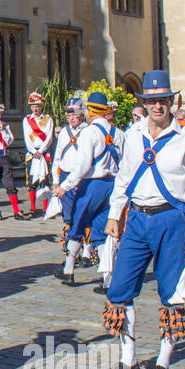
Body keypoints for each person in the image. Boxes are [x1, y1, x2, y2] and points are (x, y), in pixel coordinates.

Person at [99, 70, 185, 369]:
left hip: (172, 220)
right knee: (119, 289)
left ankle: (162, 363)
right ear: (144, 103)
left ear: (171, 102)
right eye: (151, 101)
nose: (157, 106)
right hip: (136, 219)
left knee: (170, 292)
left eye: (162, 100)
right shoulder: (133, 134)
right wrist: (114, 214)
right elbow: (123, 177)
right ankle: (129, 361)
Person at [54, 91, 120, 289]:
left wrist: (64, 186)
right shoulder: (119, 133)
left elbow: (83, 166)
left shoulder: (89, 133)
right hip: (112, 184)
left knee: (77, 225)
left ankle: (69, 270)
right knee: (102, 230)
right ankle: (107, 279)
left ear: (90, 111)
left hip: (92, 184)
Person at [51, 97, 87, 256]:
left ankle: (87, 249)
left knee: (83, 213)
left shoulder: (88, 131)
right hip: (65, 177)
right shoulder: (64, 132)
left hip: (82, 178)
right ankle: (71, 250)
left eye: (75, 114)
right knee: (68, 214)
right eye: (69, 114)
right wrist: (55, 181)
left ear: (82, 115)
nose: (72, 117)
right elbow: (57, 158)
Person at [22, 92, 55, 218]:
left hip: (44, 152)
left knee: (45, 180)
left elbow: (49, 137)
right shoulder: (26, 120)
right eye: (33, 106)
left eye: (38, 106)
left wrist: (41, 151)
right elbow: (27, 137)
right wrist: (33, 151)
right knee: (31, 181)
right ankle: (33, 208)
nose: (35, 109)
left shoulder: (48, 119)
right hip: (32, 153)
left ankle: (46, 208)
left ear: (41, 106)